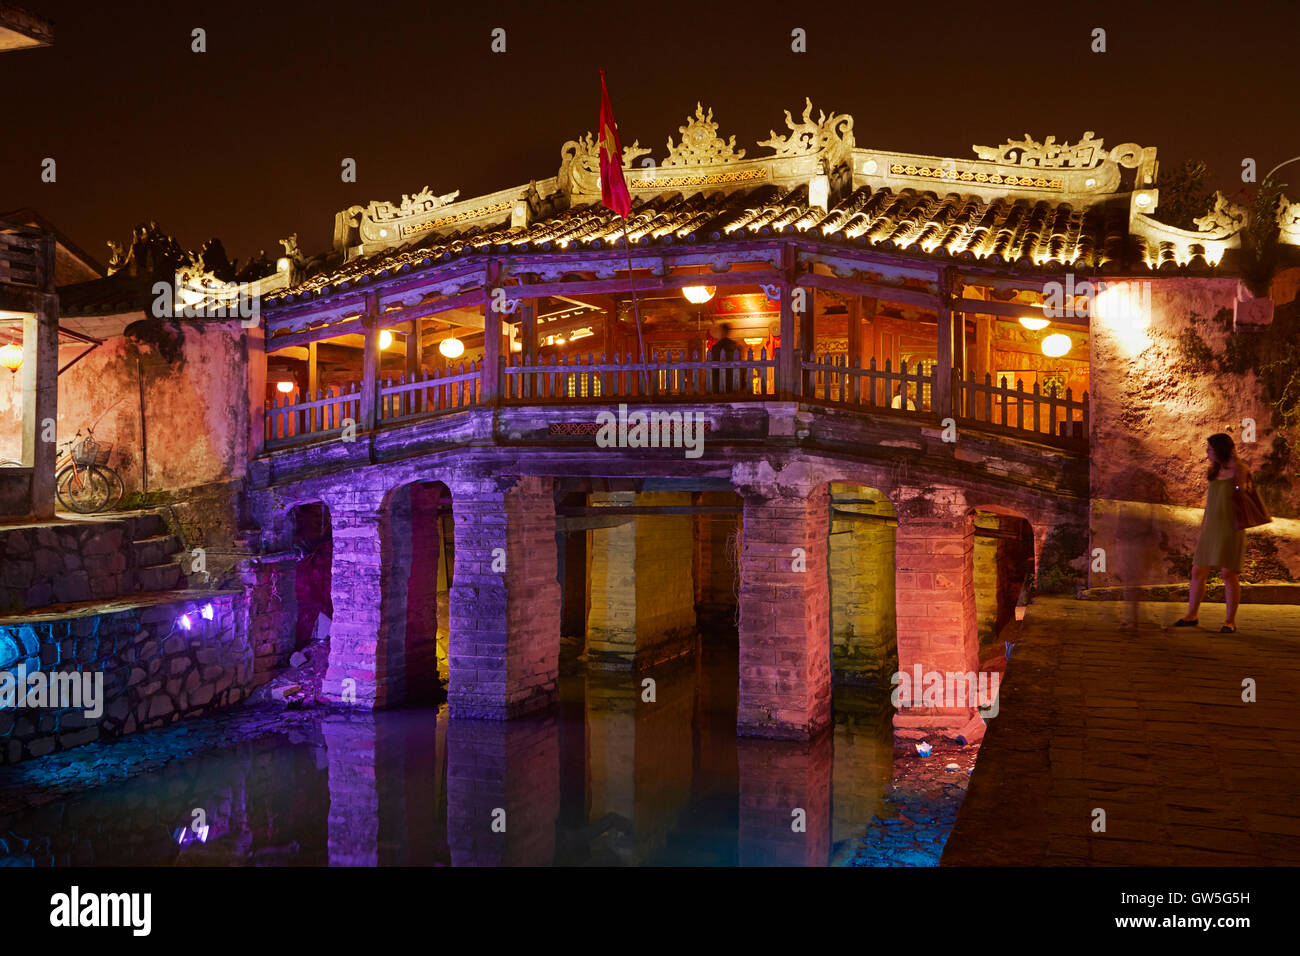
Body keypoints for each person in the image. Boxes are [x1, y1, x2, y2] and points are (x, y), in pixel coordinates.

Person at [1174, 433, 1248, 634]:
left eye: (1210, 449)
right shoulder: (1214, 472)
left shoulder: (1238, 470)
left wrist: (1236, 470)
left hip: (1232, 528)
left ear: (1220, 450)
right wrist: (1203, 526)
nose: (1207, 452)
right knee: (1198, 570)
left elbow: (1246, 492)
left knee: (1228, 573)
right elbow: (1211, 502)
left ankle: (1230, 621)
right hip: (1212, 527)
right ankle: (1192, 615)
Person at [709, 322, 741, 394]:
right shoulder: (735, 346)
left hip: (718, 379)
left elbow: (713, 365)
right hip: (733, 379)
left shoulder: (716, 347)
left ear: (722, 331)